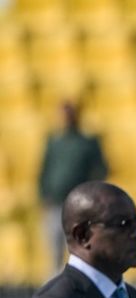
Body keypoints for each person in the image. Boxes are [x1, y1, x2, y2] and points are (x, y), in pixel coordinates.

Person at [37, 102, 107, 276]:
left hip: (78, 206)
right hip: (56, 202)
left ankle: (79, 282)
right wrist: (43, 194)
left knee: (78, 247)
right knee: (55, 248)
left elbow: (100, 170)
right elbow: (44, 169)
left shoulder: (87, 143)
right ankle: (55, 283)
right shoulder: (54, 142)